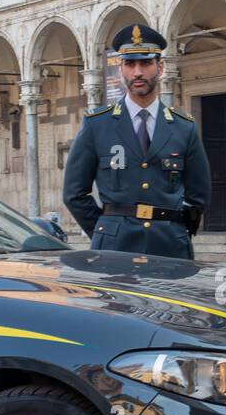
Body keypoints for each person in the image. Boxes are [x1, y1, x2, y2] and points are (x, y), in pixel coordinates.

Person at [63, 24, 211, 259]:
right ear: (121, 69)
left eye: (145, 63)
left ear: (160, 67)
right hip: (114, 247)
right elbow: (74, 192)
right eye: (130, 64)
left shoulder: (184, 127)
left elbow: (199, 194)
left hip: (169, 245)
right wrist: (106, 229)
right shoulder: (97, 125)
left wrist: (178, 228)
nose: (137, 73)